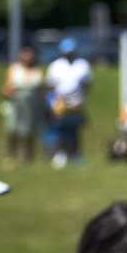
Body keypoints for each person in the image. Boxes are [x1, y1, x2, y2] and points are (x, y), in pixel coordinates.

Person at [46, 39, 91, 168]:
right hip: (59, 100)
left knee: (74, 128)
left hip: (76, 100)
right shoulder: (56, 65)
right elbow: (50, 85)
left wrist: (82, 98)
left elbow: (87, 83)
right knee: (60, 128)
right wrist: (52, 102)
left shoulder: (82, 65)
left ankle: (76, 154)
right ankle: (60, 154)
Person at [3, 43, 46, 164]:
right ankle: (11, 156)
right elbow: (7, 87)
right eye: (25, 53)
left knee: (29, 131)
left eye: (30, 53)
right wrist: (8, 92)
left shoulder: (38, 71)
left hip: (32, 105)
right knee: (13, 129)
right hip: (16, 103)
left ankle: (28, 157)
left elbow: (42, 89)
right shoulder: (14, 69)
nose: (28, 56)